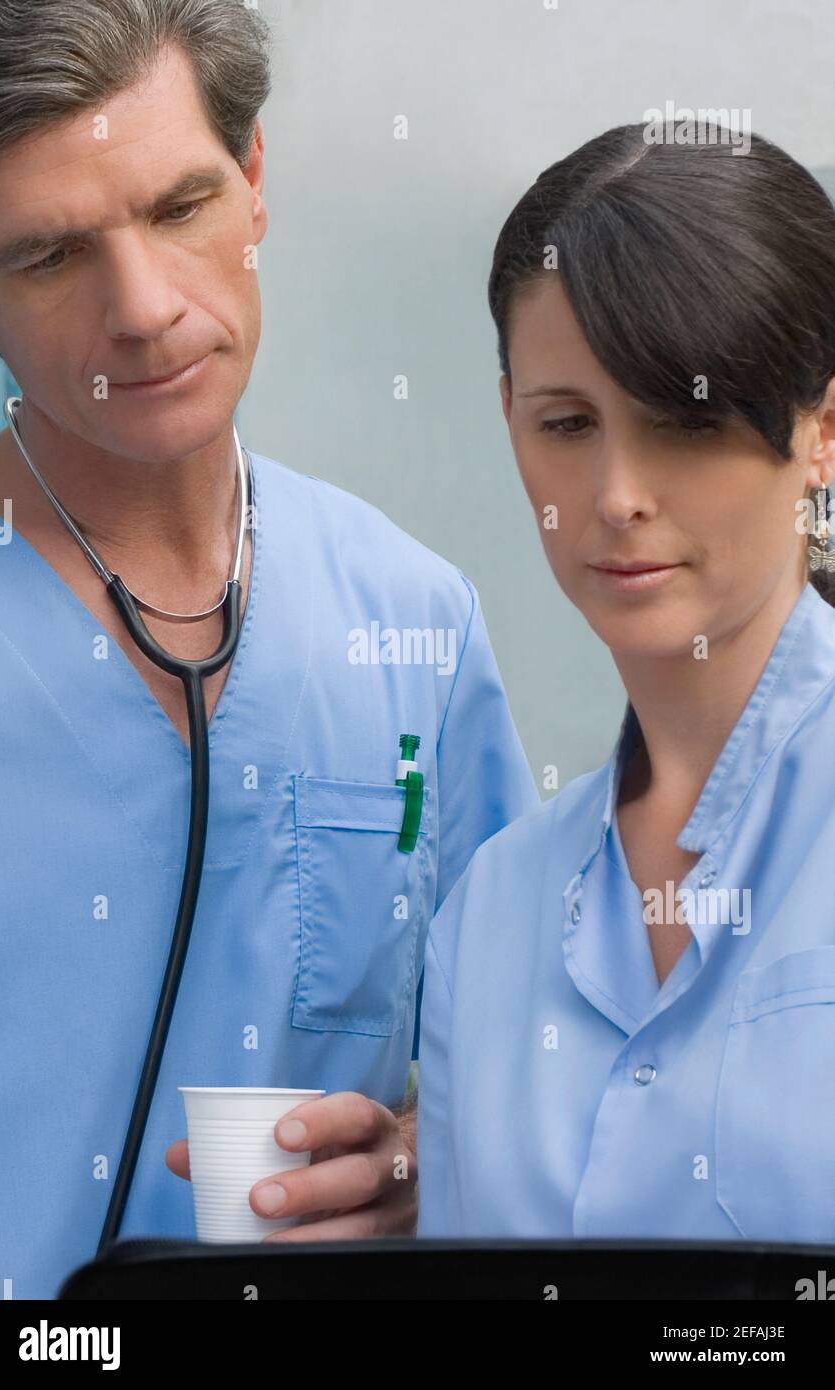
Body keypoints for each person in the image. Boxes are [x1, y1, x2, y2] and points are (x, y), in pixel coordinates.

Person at [0, 0, 538, 1298]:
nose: (147, 309)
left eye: (179, 209)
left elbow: (529, 1072)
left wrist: (430, 1159)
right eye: (52, 255)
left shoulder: (415, 620)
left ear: (257, 182)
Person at [416, 120, 835, 1244]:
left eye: (684, 423)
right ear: (511, 421)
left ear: (820, 430)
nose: (614, 493)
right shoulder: (490, 914)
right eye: (566, 424)